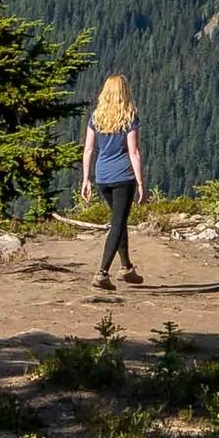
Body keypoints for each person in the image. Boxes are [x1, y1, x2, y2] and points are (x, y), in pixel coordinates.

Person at [81, 72, 146, 290]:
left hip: (103, 177)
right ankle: (102, 272)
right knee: (118, 223)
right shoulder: (129, 117)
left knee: (119, 220)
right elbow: (133, 152)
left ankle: (126, 267)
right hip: (123, 176)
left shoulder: (96, 117)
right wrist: (140, 183)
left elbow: (89, 149)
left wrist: (86, 179)